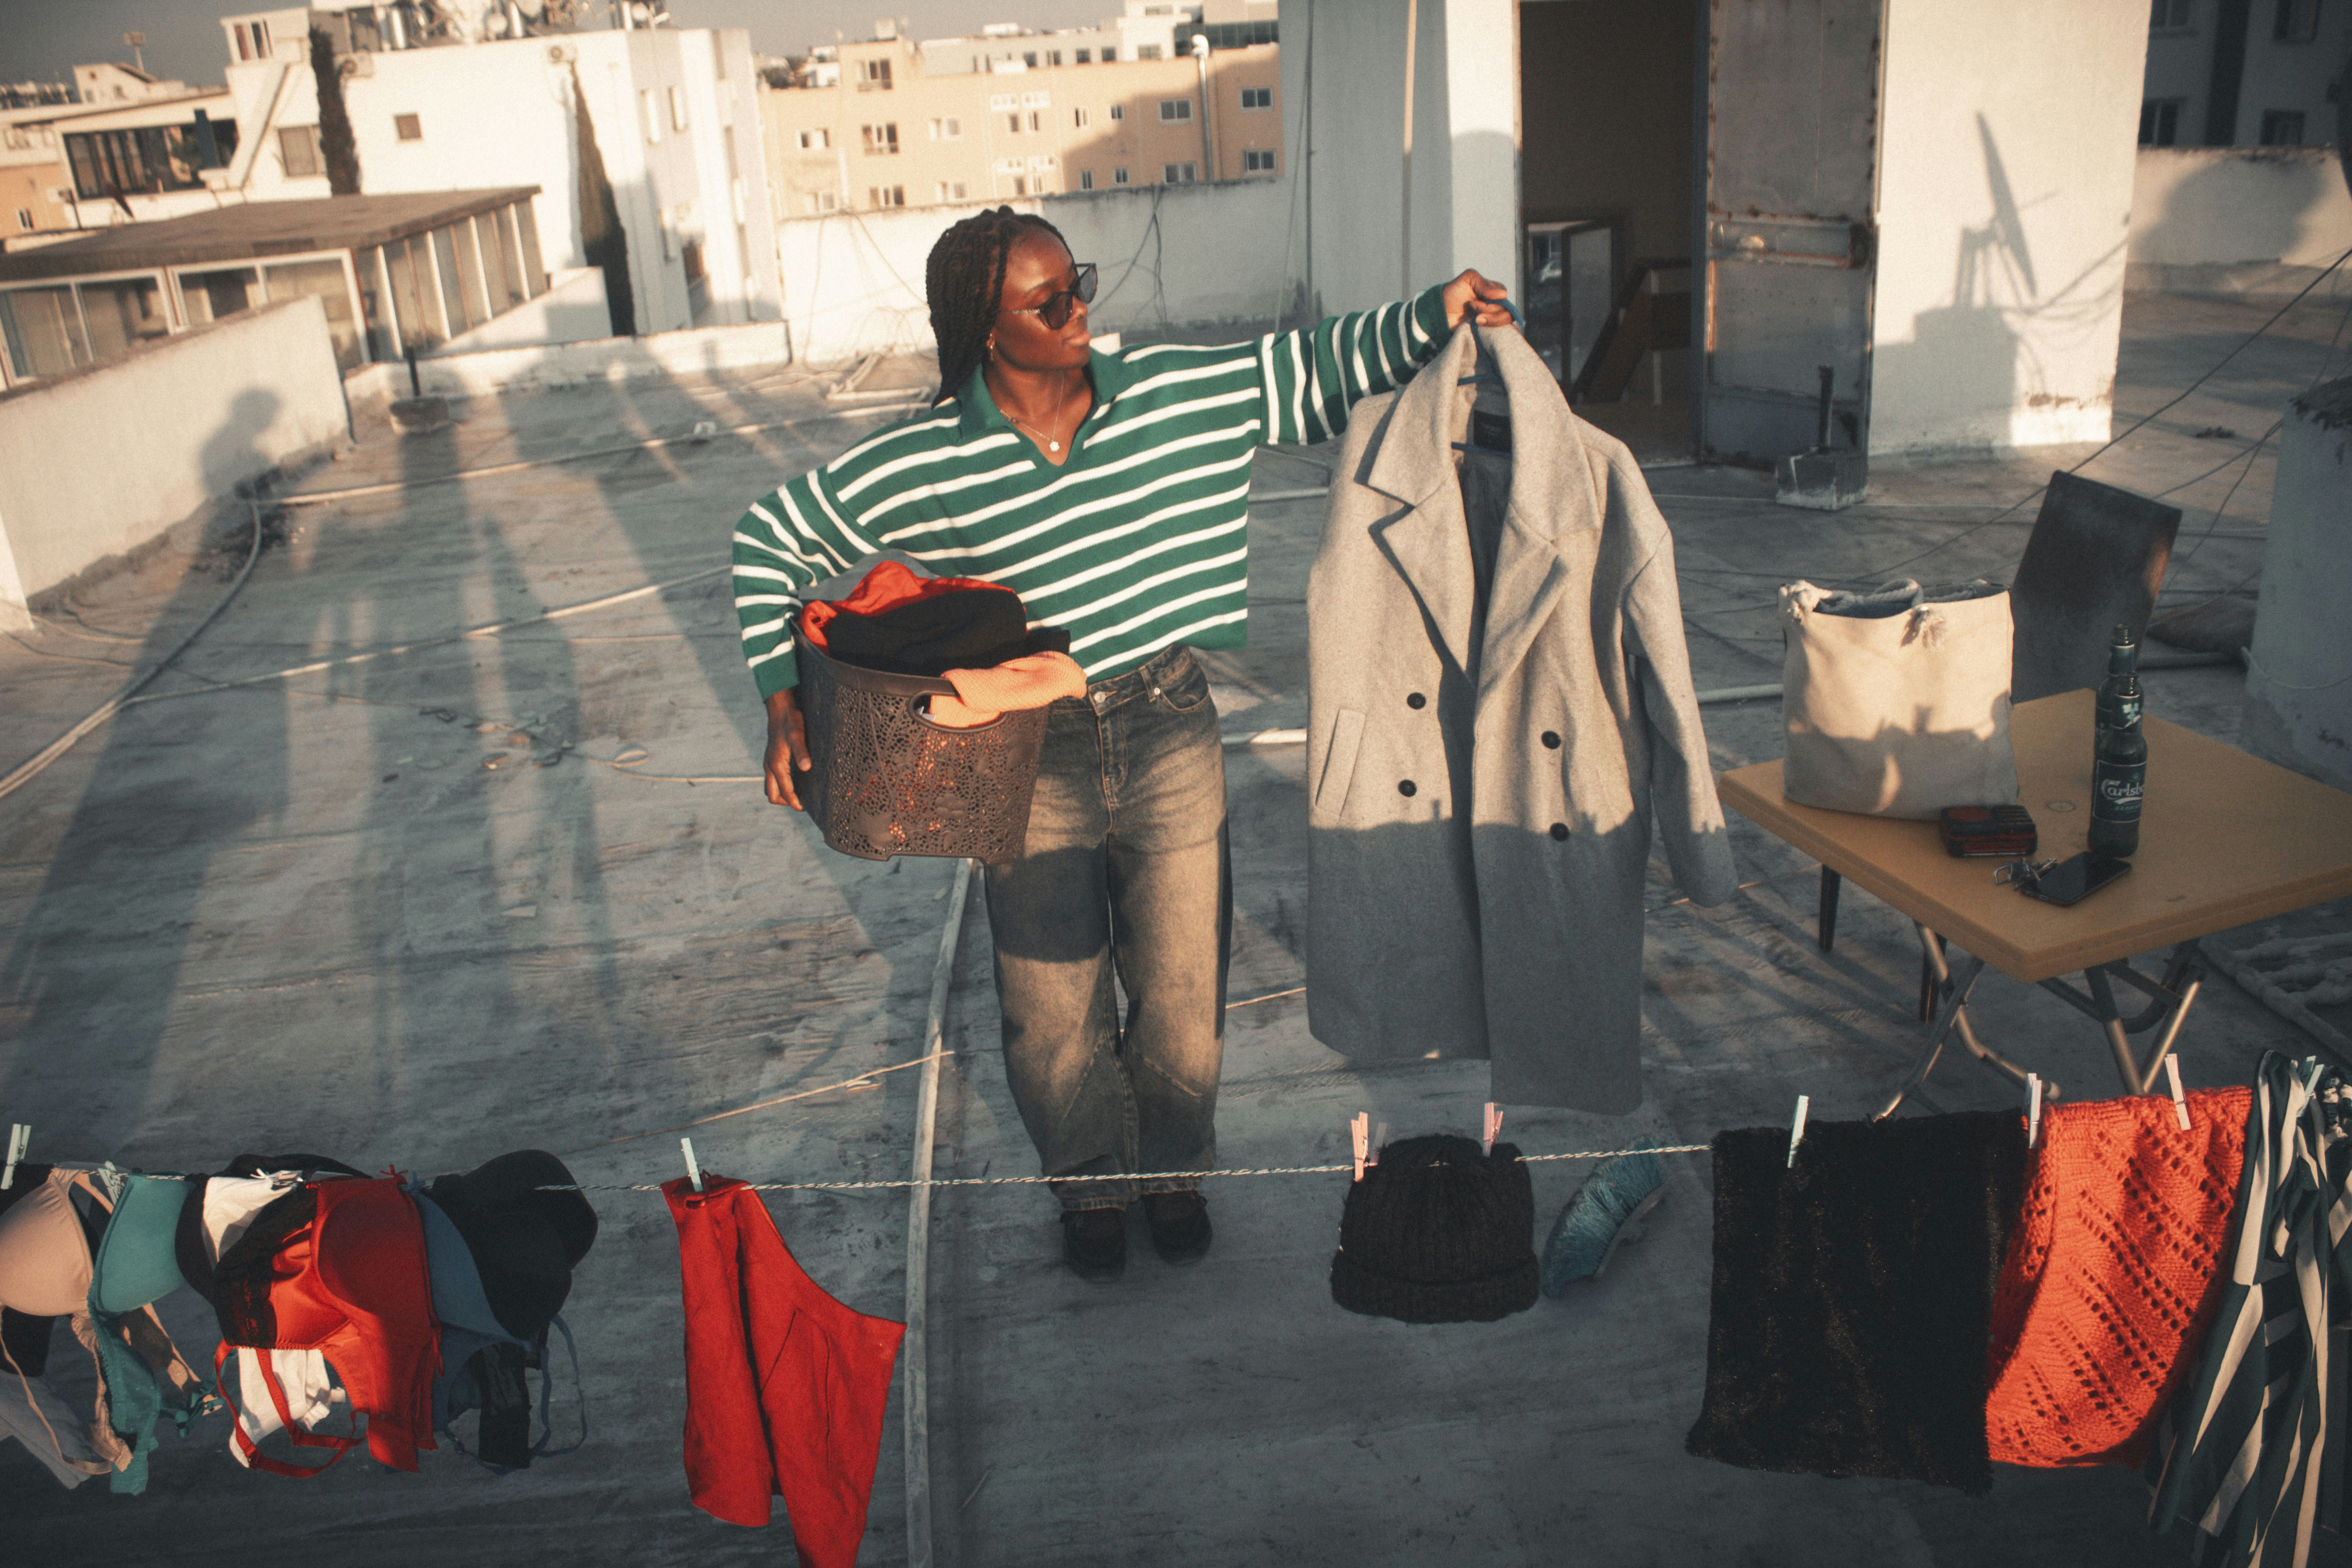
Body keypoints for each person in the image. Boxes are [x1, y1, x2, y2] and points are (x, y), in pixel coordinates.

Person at [732, 206, 1510, 1280]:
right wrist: (784, 700)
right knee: (1052, 1002)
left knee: (1183, 987)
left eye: (1078, 283)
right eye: (1045, 300)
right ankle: (1090, 1189)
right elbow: (767, 537)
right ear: (984, 326)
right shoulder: (927, 458)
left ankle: (1176, 1171)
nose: (1077, 309)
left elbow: (1307, 366)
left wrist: (1435, 312)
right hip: (1022, 749)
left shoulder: (1169, 393)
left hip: (1168, 721)